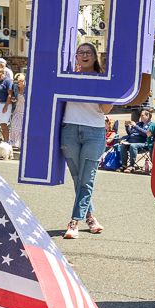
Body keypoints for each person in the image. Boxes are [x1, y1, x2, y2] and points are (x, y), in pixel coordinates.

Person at [60, 42, 111, 239]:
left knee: (87, 179)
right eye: (80, 52)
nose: (84, 55)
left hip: (94, 131)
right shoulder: (69, 76)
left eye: (88, 52)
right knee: (77, 179)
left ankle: (74, 222)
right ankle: (90, 217)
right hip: (69, 129)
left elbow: (105, 110)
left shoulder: (103, 78)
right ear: (75, 56)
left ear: (95, 56)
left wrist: (108, 92)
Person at [0, 60, 14, 142]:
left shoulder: (7, 81)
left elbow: (10, 94)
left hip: (4, 104)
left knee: (4, 125)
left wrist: (6, 106)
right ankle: (5, 141)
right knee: (1, 125)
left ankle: (7, 142)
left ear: (2, 72)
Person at [9, 73, 26, 152]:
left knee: (21, 128)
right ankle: (14, 143)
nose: (17, 84)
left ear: (23, 81)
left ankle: (21, 145)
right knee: (13, 126)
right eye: (16, 82)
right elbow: (14, 97)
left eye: (19, 82)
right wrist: (13, 99)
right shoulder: (15, 88)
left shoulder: (27, 88)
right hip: (17, 109)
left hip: (24, 110)